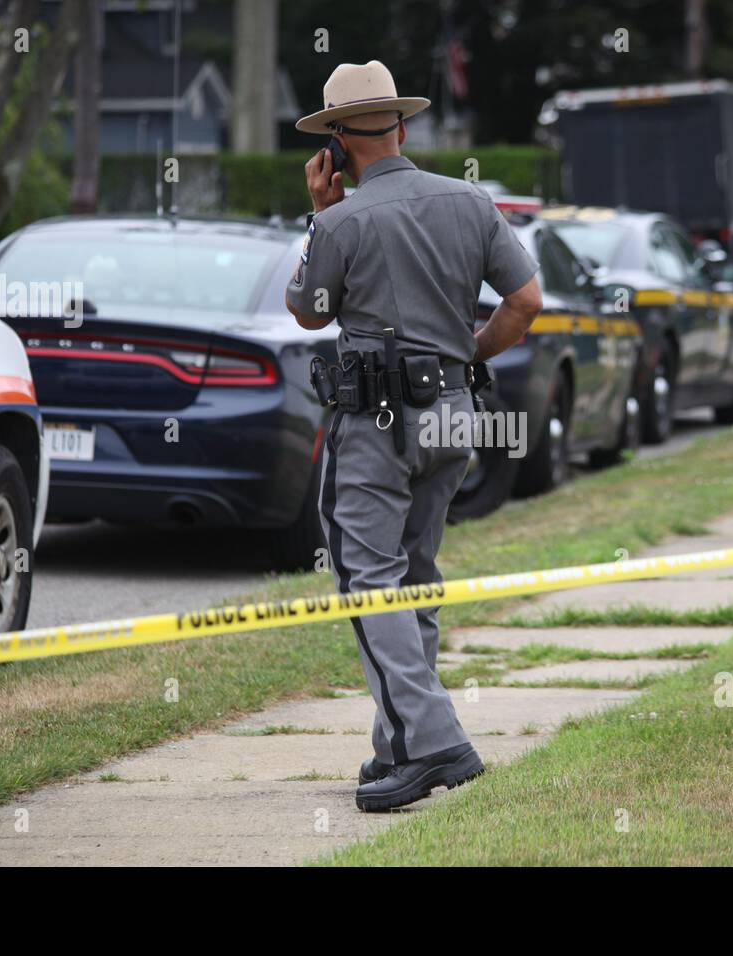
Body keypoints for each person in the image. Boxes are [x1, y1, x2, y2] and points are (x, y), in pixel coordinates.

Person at [285, 60, 543, 812]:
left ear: (335, 142)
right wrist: (469, 355)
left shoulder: (338, 222)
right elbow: (525, 300)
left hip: (376, 425)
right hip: (456, 415)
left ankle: (435, 743)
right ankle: (397, 744)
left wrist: (317, 212)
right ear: (401, 126)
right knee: (415, 578)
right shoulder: (470, 202)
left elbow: (308, 310)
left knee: (368, 580)